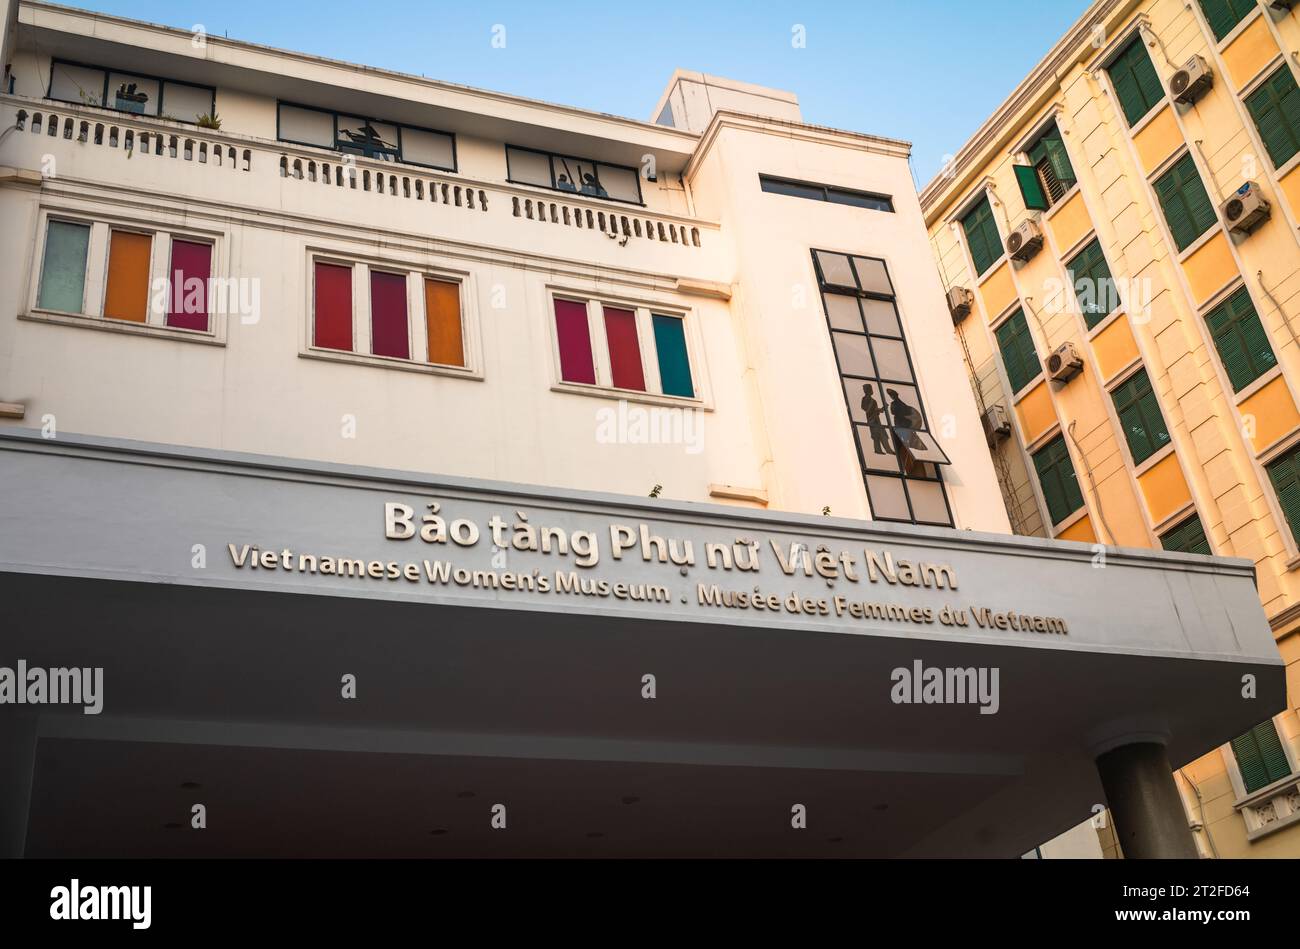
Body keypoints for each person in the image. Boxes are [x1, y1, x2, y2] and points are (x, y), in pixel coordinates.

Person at [861, 385, 892, 458]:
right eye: (871, 389)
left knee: (883, 435)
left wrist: (883, 408)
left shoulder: (874, 401)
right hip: (872, 420)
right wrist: (875, 410)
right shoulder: (865, 399)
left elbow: (878, 411)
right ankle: (878, 450)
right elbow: (865, 408)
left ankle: (888, 450)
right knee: (876, 436)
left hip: (877, 420)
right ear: (868, 390)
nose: (872, 390)